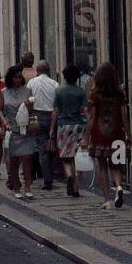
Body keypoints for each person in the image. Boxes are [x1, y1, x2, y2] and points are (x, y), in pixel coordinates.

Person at [84, 62, 131, 211]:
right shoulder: (119, 94)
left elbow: (91, 117)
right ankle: (118, 187)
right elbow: (124, 115)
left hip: (99, 133)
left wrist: (86, 137)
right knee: (115, 164)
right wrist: (129, 134)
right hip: (116, 132)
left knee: (103, 167)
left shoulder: (95, 95)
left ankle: (106, 200)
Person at [49, 64, 88, 197]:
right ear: (77, 77)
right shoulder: (82, 92)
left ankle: (69, 175)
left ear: (64, 76)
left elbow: (55, 111)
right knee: (78, 158)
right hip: (78, 126)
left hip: (63, 126)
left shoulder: (59, 91)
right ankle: (76, 186)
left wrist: (51, 130)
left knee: (66, 156)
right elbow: (85, 110)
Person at [0, 65, 34, 201]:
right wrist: (4, 121)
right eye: (15, 77)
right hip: (12, 128)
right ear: (10, 78)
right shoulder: (4, 92)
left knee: (27, 158)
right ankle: (16, 186)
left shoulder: (27, 91)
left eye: (20, 77)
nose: (18, 80)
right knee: (13, 160)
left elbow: (32, 110)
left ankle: (28, 187)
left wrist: (29, 105)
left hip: (25, 128)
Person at [26, 59, 58, 191]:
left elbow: (28, 101)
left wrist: (29, 116)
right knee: (52, 146)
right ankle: (53, 174)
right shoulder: (55, 84)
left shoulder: (32, 83)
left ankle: (47, 179)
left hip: (37, 116)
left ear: (37, 71)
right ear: (49, 70)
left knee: (42, 150)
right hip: (52, 116)